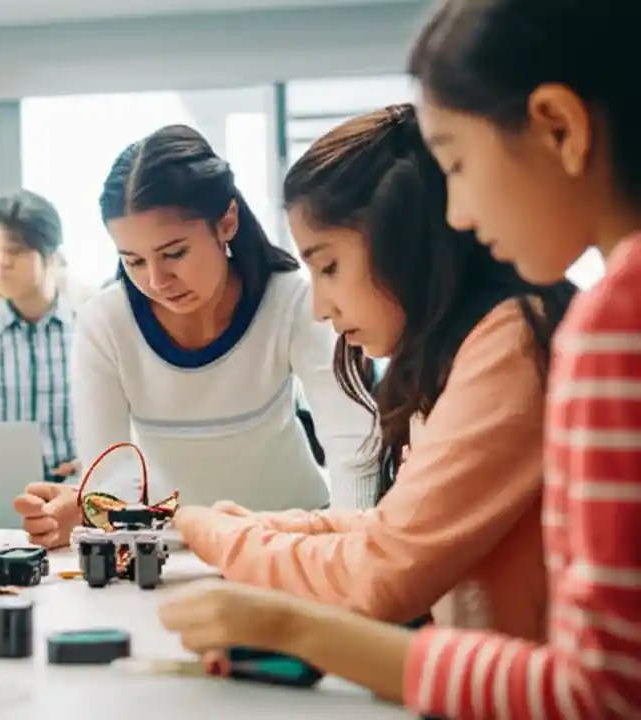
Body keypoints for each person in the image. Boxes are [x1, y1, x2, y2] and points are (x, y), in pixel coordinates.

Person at [158, 1, 641, 717]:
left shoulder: (593, 324)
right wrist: (247, 529)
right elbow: (402, 533)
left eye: (458, 164)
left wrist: (287, 620)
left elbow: (599, 690)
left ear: (560, 128)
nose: (457, 216)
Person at [173, 104, 574, 638]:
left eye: (330, 266)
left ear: (405, 241)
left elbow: (383, 572)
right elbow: (404, 526)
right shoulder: (457, 354)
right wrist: (271, 526)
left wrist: (223, 537)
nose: (320, 306)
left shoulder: (512, 344)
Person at [15, 124, 378, 549]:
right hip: (171, 548)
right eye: (133, 260)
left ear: (226, 222)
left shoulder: (291, 299)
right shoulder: (105, 322)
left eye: (174, 254)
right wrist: (88, 513)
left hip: (293, 538)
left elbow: (352, 439)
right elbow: (110, 472)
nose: (157, 280)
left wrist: (353, 543)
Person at [0, 190, 77, 484]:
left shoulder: (86, 331)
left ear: (50, 257)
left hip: (79, 493)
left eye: (16, 250)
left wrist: (95, 462)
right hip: (1, 497)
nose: (2, 263)